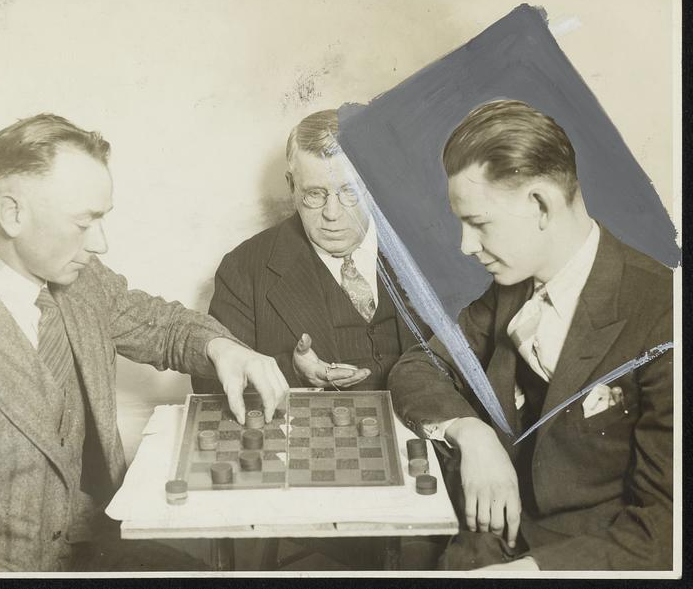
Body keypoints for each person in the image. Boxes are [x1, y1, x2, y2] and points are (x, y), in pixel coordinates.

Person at [0, 114, 289, 572]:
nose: (101, 243)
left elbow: (161, 325)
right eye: (84, 222)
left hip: (100, 547)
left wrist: (223, 348)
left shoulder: (78, 279)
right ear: (13, 213)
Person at [389, 100, 673, 571]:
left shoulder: (664, 313)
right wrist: (472, 434)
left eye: (478, 223)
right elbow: (420, 364)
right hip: (485, 540)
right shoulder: (512, 288)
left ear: (540, 204)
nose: (465, 246)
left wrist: (528, 572)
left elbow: (667, 528)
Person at [192, 109, 429, 395]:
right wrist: (292, 371)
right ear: (292, 186)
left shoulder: (428, 250)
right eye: (314, 194)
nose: (332, 213)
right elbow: (208, 385)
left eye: (350, 191)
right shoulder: (243, 268)